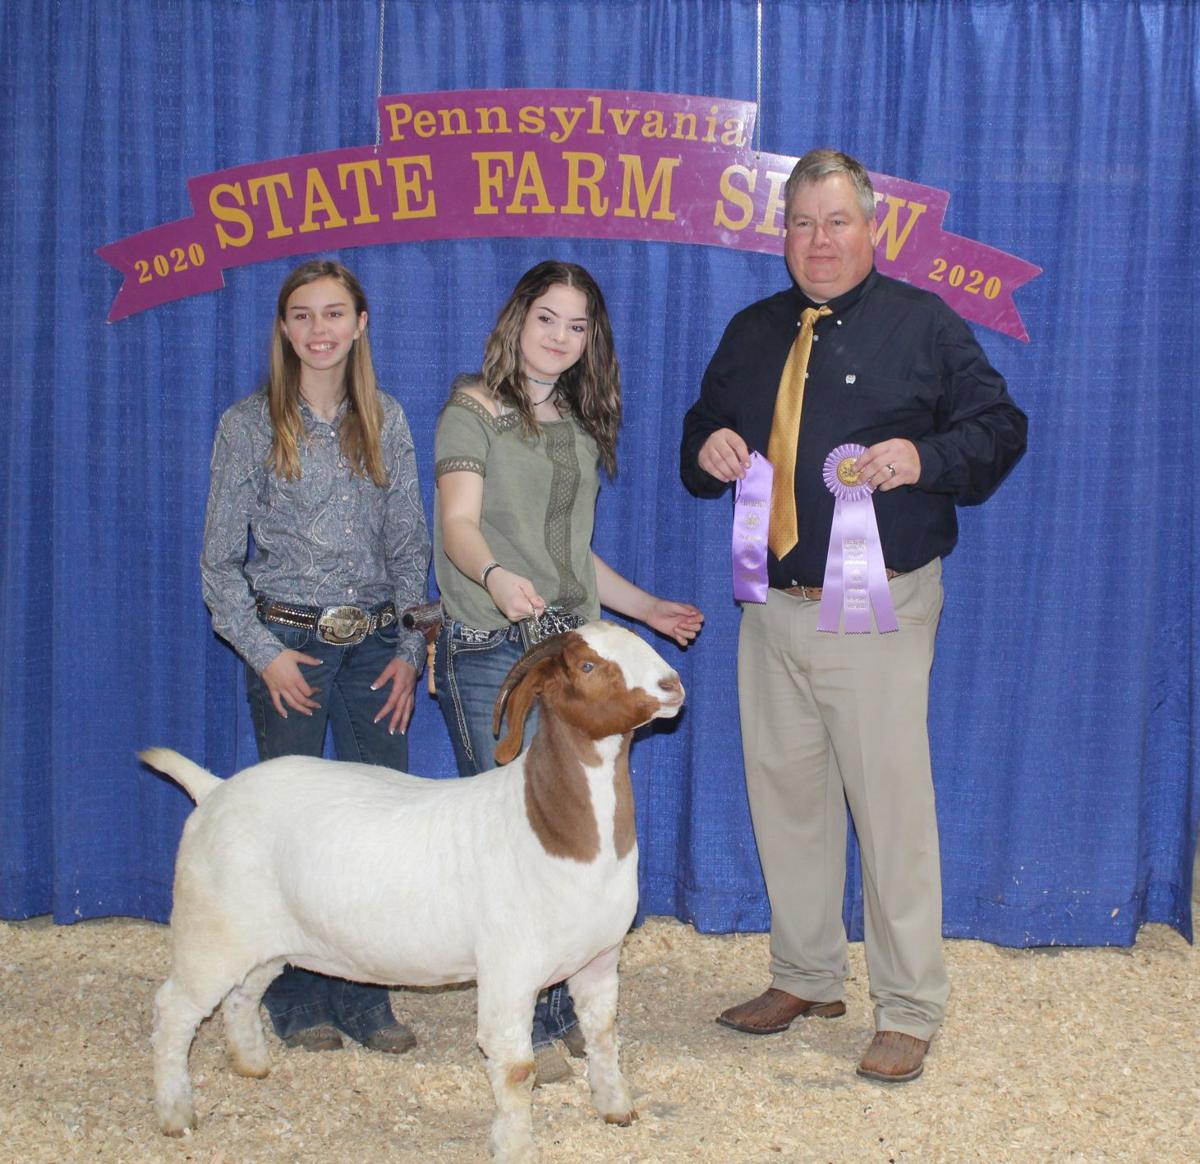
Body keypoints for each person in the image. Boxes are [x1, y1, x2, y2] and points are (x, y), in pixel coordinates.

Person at [680, 150, 1027, 1083]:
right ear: (783, 233)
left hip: (878, 604)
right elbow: (699, 433)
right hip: (771, 606)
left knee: (889, 807)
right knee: (785, 798)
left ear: (873, 228)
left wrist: (922, 458)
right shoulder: (753, 330)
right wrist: (707, 447)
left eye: (837, 221)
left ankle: (909, 1006)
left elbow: (1001, 428)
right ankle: (805, 975)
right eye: (802, 223)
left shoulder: (925, 324)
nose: (819, 241)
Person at [433, 259, 703, 1083]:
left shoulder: (577, 426)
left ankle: (565, 1011)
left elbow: (574, 556)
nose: (559, 336)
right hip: (491, 643)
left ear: (592, 341)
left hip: (569, 655)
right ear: (517, 319)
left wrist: (647, 608)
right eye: (546, 317)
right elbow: (458, 523)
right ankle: (530, 1028)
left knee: (575, 835)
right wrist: (493, 578)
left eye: (577, 326)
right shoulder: (471, 409)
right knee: (519, 842)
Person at [200, 258, 431, 1055]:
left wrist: (411, 647)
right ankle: (296, 994)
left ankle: (367, 995)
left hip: (375, 647)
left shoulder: (387, 420)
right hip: (289, 645)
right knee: (292, 828)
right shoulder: (249, 426)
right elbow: (219, 563)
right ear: (284, 328)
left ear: (360, 325)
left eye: (334, 314)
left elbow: (410, 547)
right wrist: (263, 653)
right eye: (302, 315)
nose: (318, 330)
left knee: (380, 823)